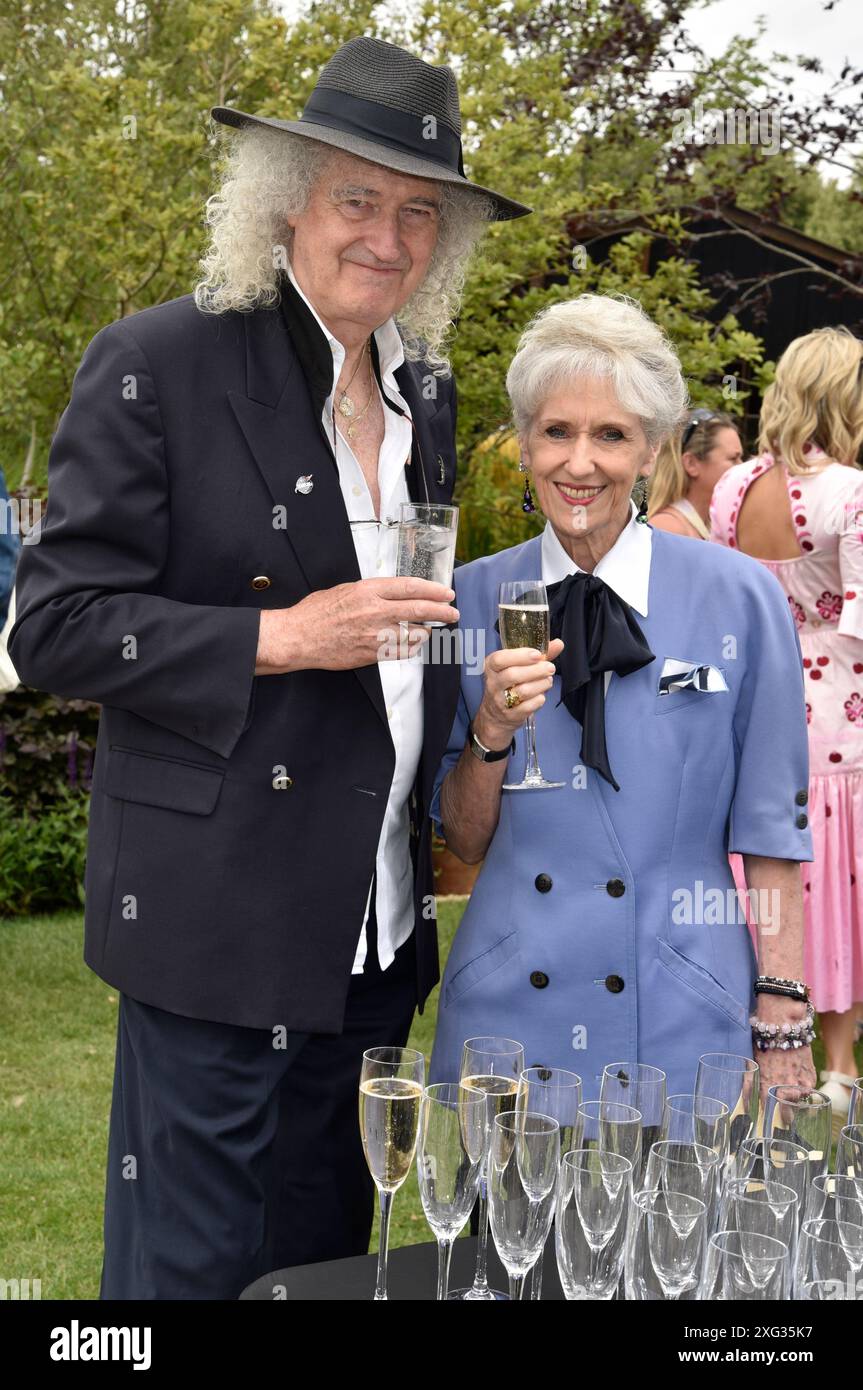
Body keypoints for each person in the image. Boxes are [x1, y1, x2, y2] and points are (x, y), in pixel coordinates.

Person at [8, 36, 530, 1299]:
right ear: (285, 196)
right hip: (217, 918)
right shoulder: (160, 361)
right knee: (187, 1275)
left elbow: (402, 660)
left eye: (420, 212)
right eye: (358, 199)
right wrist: (281, 635)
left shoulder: (428, 393)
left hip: (373, 924)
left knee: (320, 1270)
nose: (389, 237)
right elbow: (56, 622)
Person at [429, 292, 816, 1103]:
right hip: (508, 1016)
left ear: (650, 453)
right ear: (525, 440)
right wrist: (492, 731)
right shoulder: (465, 598)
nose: (580, 464)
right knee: (504, 1233)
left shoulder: (739, 597)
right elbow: (462, 841)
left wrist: (781, 1015)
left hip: (682, 1003)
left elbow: (772, 837)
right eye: (556, 432)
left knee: (677, 1232)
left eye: (610, 435)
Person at [711, 326, 863, 1131]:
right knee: (838, 885)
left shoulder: (731, 487)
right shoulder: (854, 490)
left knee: (769, 881)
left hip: (752, 709)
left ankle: (753, 1053)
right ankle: (838, 1067)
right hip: (840, 718)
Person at [648, 407, 742, 538]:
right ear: (691, 464)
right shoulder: (669, 527)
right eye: (733, 458)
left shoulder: (710, 523)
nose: (741, 466)